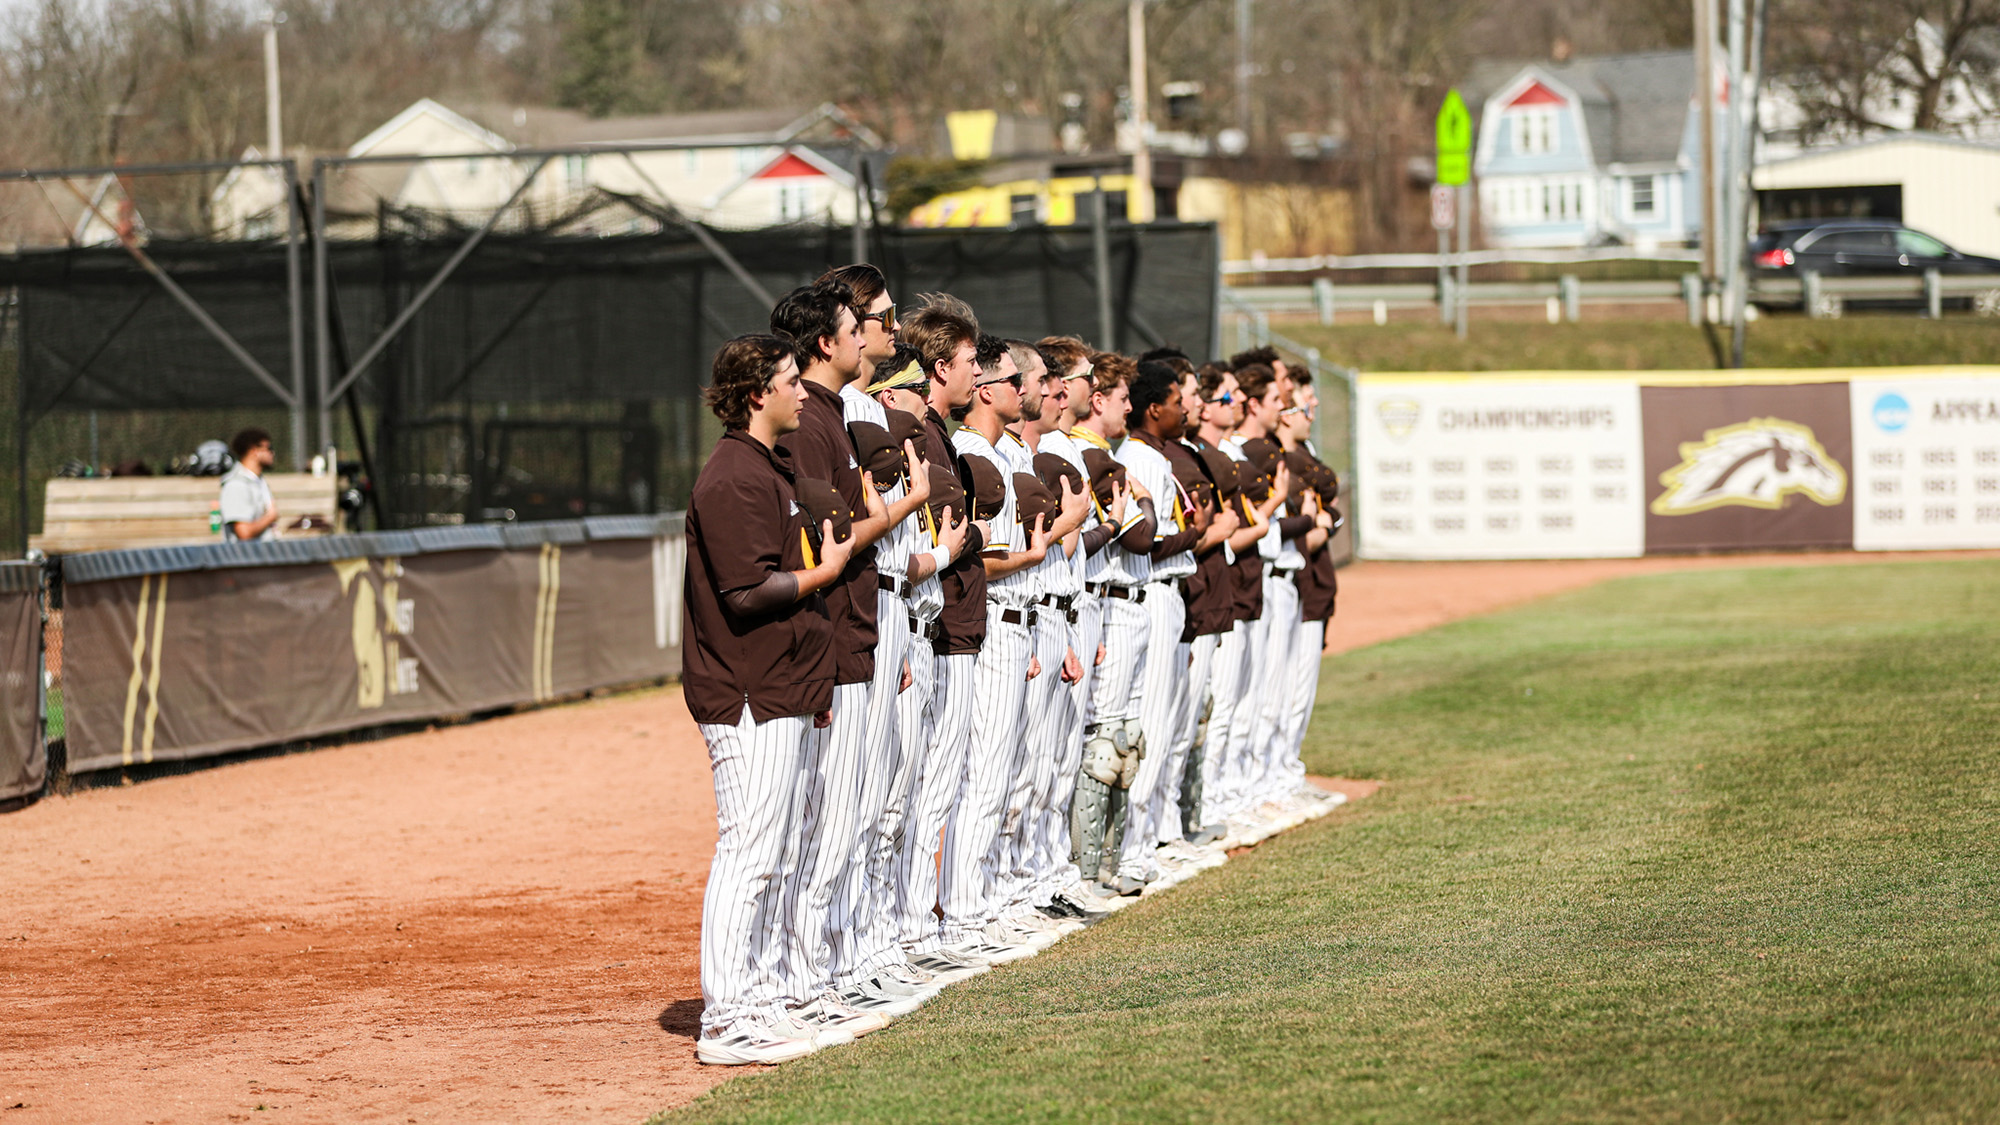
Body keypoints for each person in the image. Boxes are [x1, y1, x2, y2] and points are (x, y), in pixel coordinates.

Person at [684, 335, 851, 1066]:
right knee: (749, 847)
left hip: (780, 682)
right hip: (745, 688)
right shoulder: (732, 477)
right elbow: (746, 592)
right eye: (790, 381)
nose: (803, 392)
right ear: (757, 392)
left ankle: (756, 996)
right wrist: (829, 571)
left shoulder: (766, 466)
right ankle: (725, 1017)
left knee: (774, 849)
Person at [219, 428, 280, 541]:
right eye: (269, 448)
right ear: (254, 450)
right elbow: (244, 533)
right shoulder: (236, 485)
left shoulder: (259, 482)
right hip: (246, 557)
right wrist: (270, 517)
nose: (272, 453)